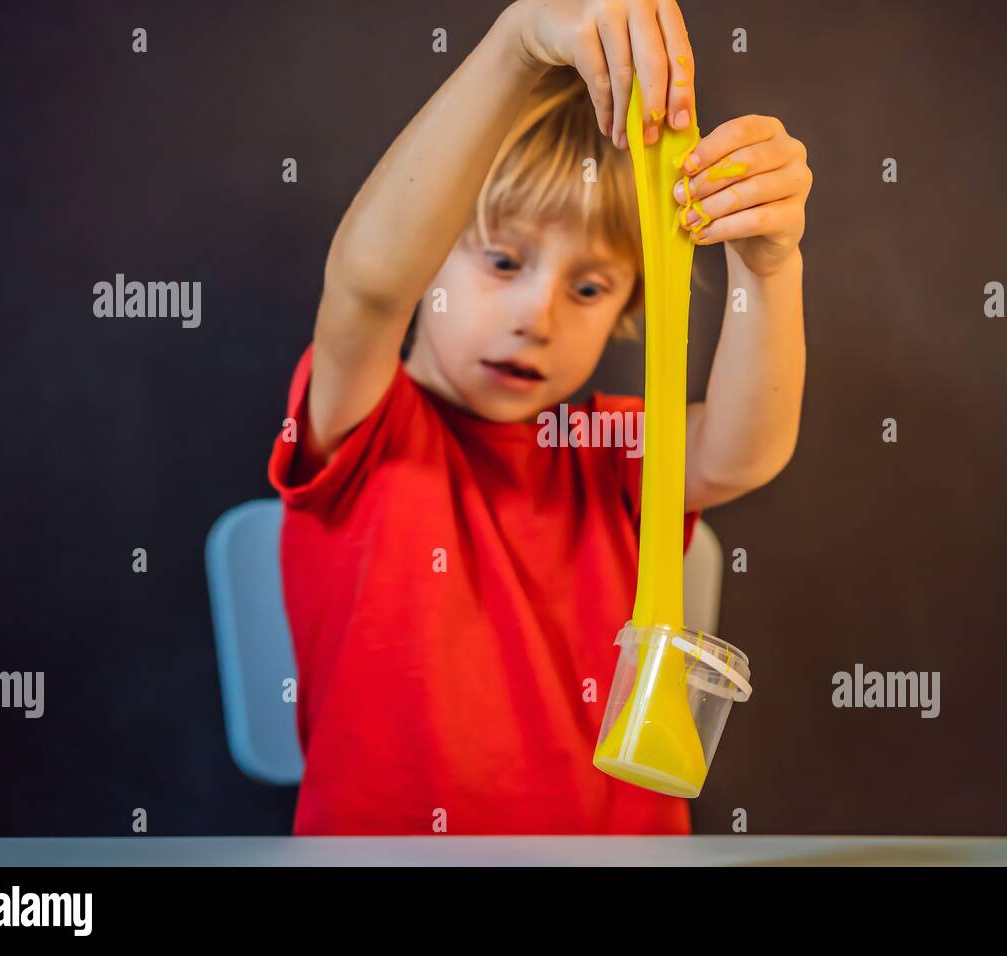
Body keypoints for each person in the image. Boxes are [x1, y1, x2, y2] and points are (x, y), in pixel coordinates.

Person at [267, 0, 810, 834]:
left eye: (589, 286)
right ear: (430, 249)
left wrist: (766, 268)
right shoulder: (370, 434)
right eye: (502, 259)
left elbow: (744, 452)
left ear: (631, 303)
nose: (538, 315)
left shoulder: (611, 450)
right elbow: (369, 287)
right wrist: (518, 42)